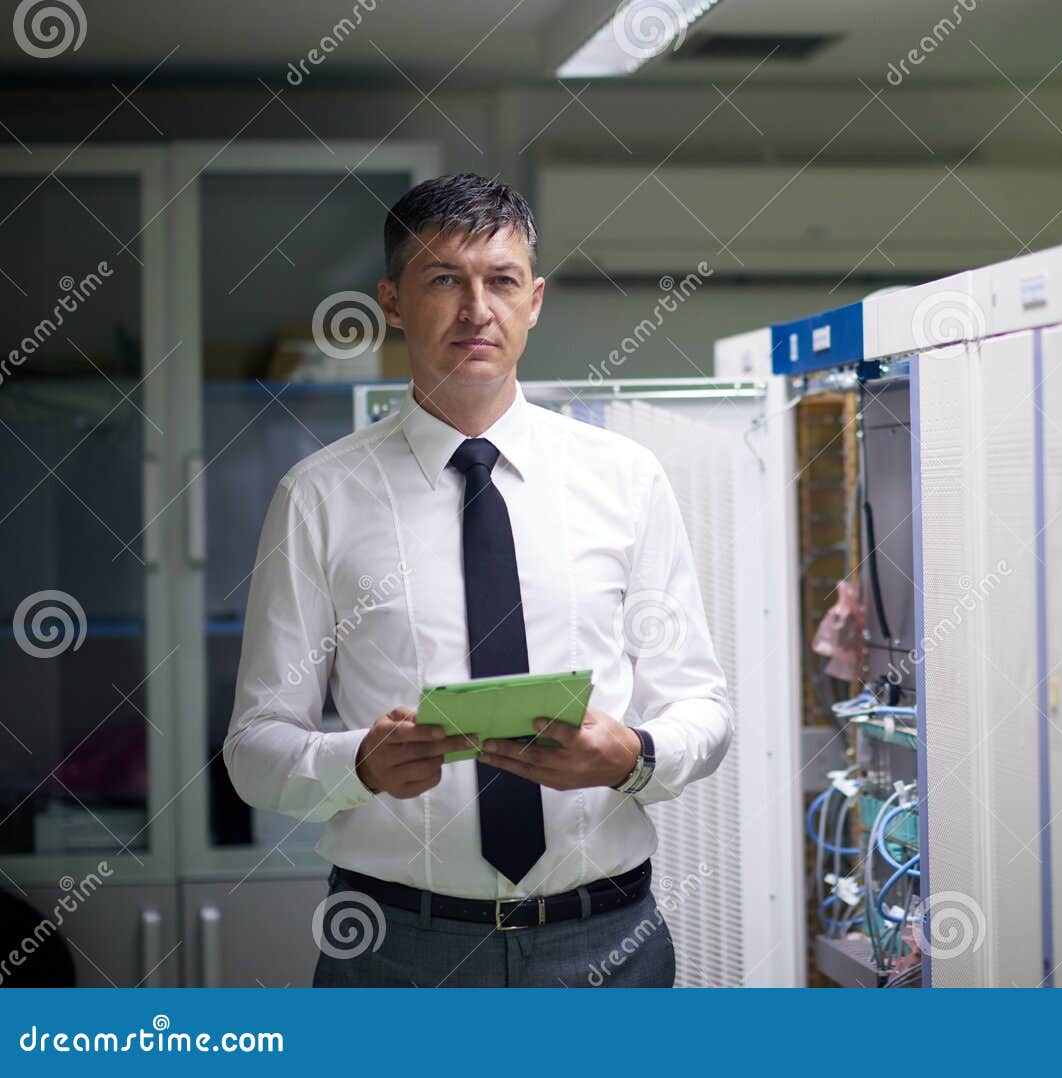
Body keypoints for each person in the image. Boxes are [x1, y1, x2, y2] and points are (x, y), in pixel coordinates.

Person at [224, 173, 731, 987]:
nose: (476, 309)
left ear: (533, 301)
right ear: (392, 300)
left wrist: (632, 754)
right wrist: (358, 764)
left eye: (500, 281)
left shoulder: (625, 480)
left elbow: (703, 706)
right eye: (443, 280)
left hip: (607, 946)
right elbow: (253, 749)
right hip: (397, 951)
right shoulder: (318, 496)